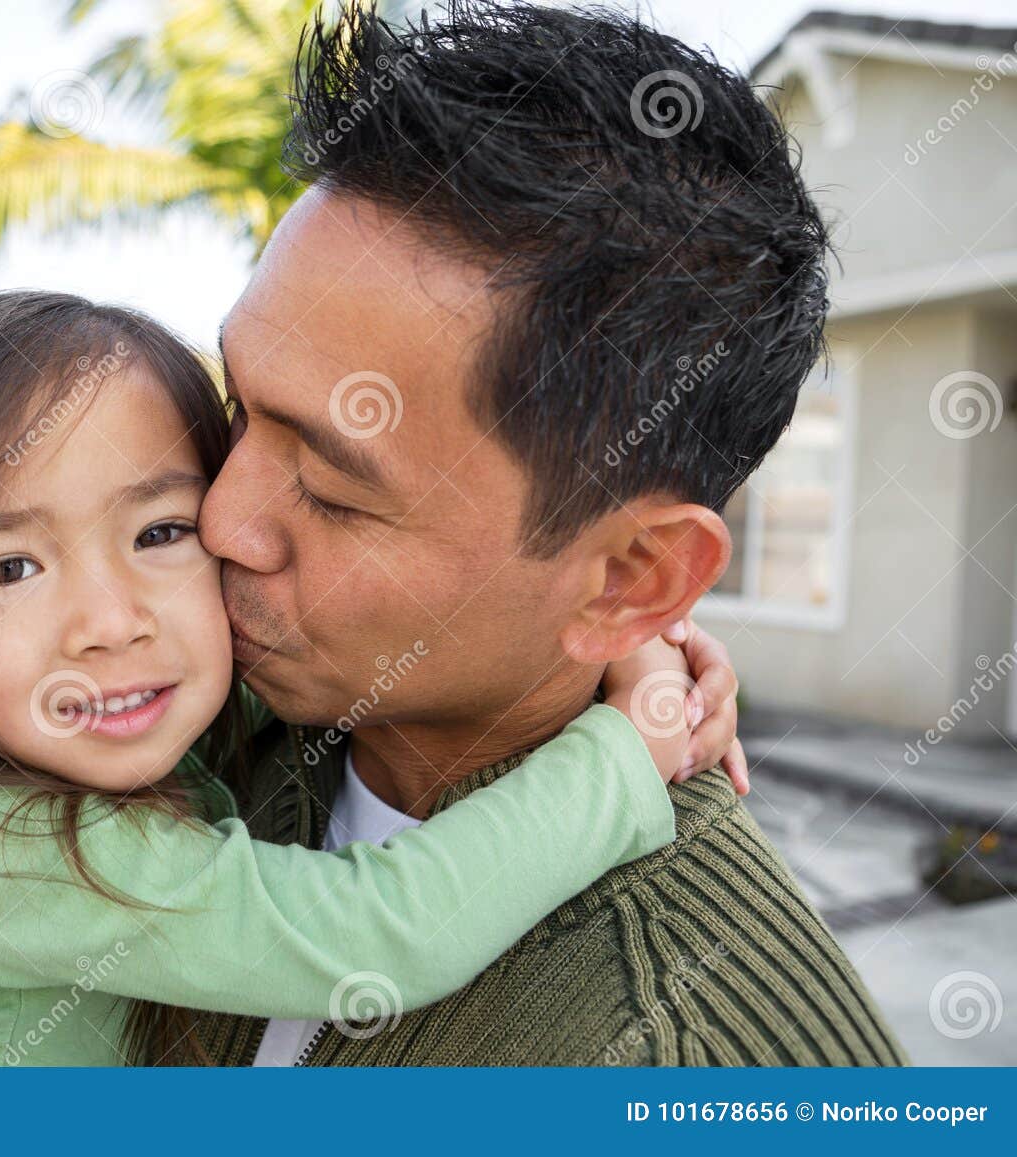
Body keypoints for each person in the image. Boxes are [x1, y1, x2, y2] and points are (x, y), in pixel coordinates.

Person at [0, 290, 742, 1066]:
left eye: (159, 531)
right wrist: (629, 746)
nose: (112, 623)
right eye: (8, 565)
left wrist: (620, 633)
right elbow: (372, 935)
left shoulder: (119, 721)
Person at [187, 2, 907, 1066]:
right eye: (236, 410)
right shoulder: (178, 721)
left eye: (334, 490)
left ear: (632, 578)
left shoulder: (688, 1056)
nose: (217, 520)